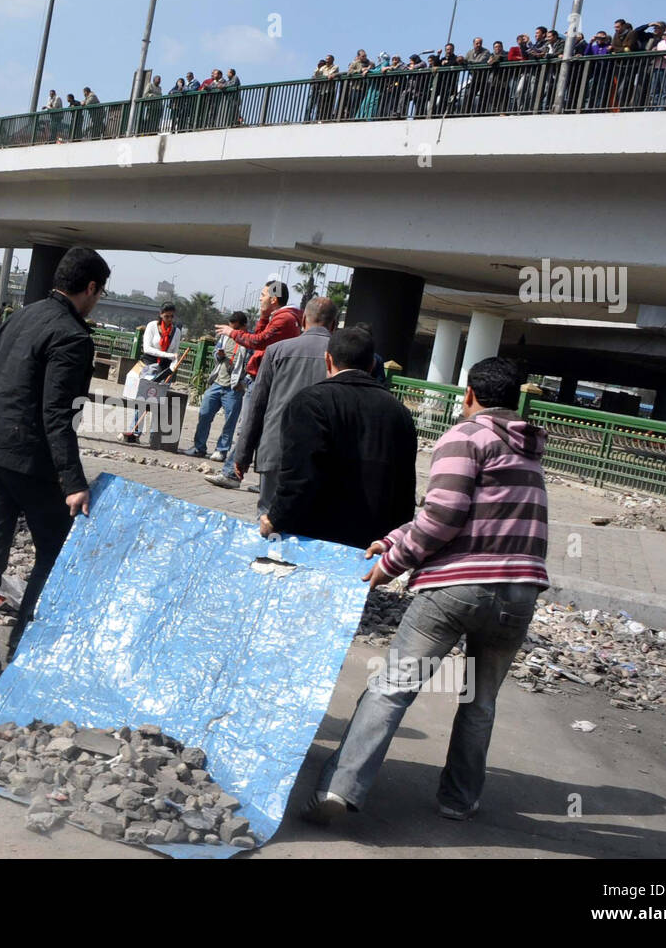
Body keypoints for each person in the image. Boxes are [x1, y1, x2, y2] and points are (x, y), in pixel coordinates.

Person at [301, 357, 548, 825]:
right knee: (480, 701)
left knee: (392, 689)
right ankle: (459, 799)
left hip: (459, 587)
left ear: (470, 394)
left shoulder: (466, 436)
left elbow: (444, 516)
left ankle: (341, 788)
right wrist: (394, 537)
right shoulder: (529, 450)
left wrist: (392, 564)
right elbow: (461, 513)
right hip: (519, 595)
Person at [0, 247, 110, 683]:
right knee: (54, 551)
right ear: (90, 288)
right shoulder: (73, 337)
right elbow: (57, 414)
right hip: (27, 461)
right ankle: (22, 652)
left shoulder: (22, 315)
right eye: (99, 293)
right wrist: (73, 482)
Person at [259, 325, 415, 547]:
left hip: (315, 539)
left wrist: (275, 518)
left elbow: (299, 473)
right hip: (372, 545)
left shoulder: (311, 402)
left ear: (328, 359)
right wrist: (394, 543)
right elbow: (405, 488)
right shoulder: (399, 412)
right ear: (371, 365)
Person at [233, 297, 337, 515]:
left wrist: (243, 455)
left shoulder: (276, 351)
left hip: (275, 448)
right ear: (334, 324)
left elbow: (257, 406)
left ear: (303, 321)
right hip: (322, 456)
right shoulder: (341, 357)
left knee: (269, 519)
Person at [204, 280, 300, 489]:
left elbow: (258, 341)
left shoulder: (284, 318)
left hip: (263, 380)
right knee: (263, 430)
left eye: (263, 295)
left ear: (274, 299)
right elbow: (261, 334)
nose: (260, 298)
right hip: (266, 379)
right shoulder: (282, 317)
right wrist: (265, 316)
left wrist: (233, 333)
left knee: (247, 428)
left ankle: (232, 473)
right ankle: (268, 483)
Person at [183, 310, 249, 462]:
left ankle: (221, 450)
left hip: (234, 387)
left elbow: (252, 364)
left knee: (229, 422)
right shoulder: (225, 337)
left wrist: (243, 383)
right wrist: (218, 354)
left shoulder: (249, 341)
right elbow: (215, 352)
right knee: (204, 414)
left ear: (244, 327)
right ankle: (199, 447)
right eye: (230, 328)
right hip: (218, 382)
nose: (232, 332)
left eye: (235, 329)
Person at [119, 301, 184, 443]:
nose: (169, 320)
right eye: (167, 316)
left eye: (172, 317)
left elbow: (175, 352)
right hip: (148, 365)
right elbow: (147, 348)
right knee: (143, 399)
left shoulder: (176, 331)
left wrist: (173, 366)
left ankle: (156, 437)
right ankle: (135, 431)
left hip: (164, 369)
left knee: (158, 401)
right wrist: (168, 355)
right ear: (161, 315)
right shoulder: (152, 326)